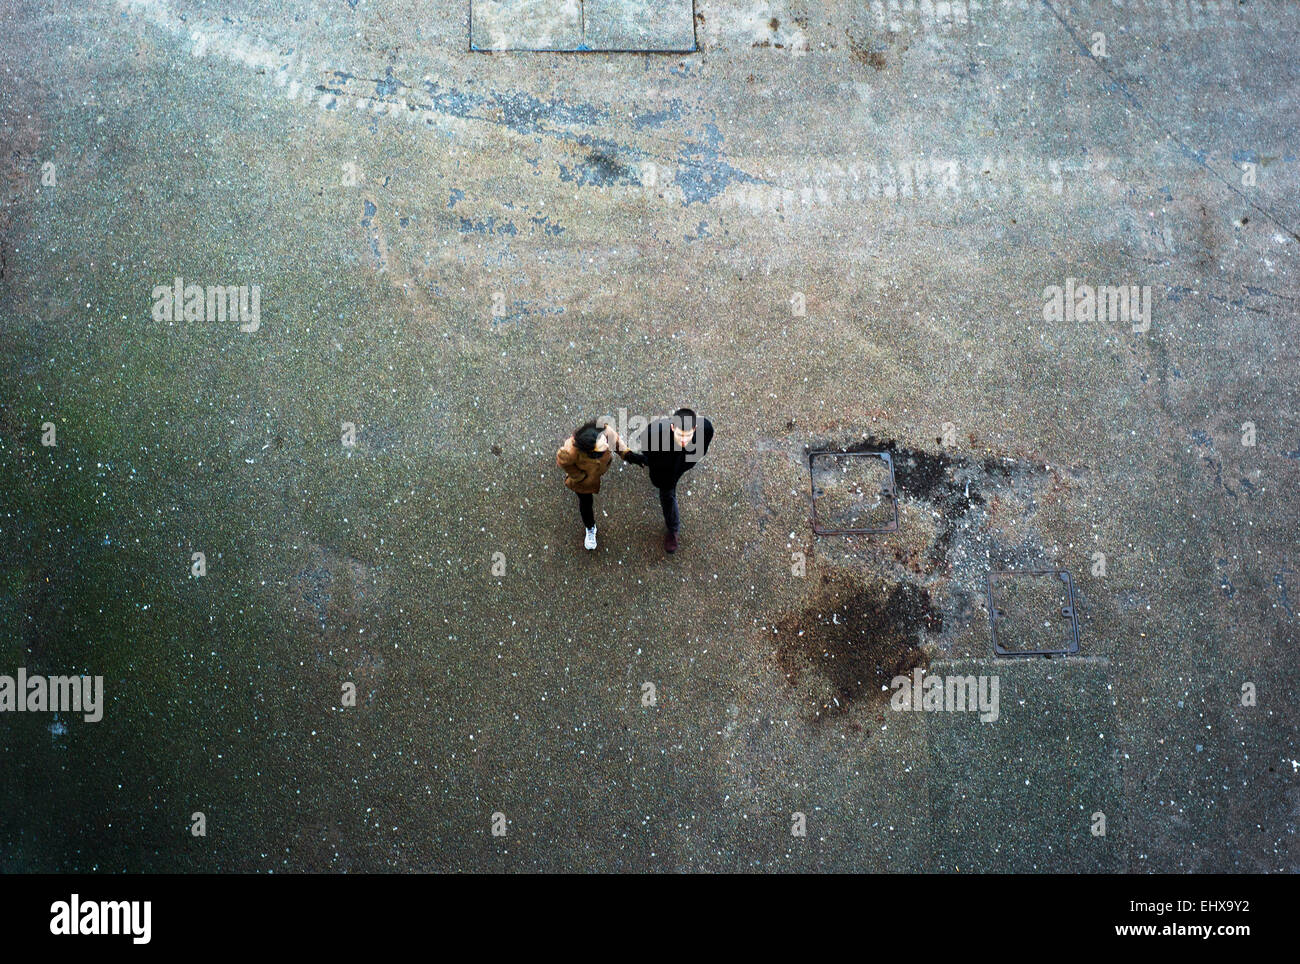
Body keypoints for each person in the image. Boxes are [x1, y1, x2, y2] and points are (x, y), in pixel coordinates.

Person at [622, 408, 713, 554]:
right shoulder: (654, 434)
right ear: (672, 427)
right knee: (666, 492)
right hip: (664, 471)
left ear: (695, 429)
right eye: (680, 435)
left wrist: (688, 462)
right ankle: (673, 529)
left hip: (682, 464)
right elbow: (648, 454)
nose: (684, 440)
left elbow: (702, 448)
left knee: (668, 494)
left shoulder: (706, 428)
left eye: (688, 435)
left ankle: (673, 529)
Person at [556, 419, 630, 550]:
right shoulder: (570, 451)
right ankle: (590, 528)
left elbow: (616, 442)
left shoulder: (604, 432)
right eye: (600, 444)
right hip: (584, 481)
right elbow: (563, 462)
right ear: (589, 449)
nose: (606, 444)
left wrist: (627, 454)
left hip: (596, 470)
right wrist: (579, 477)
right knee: (585, 503)